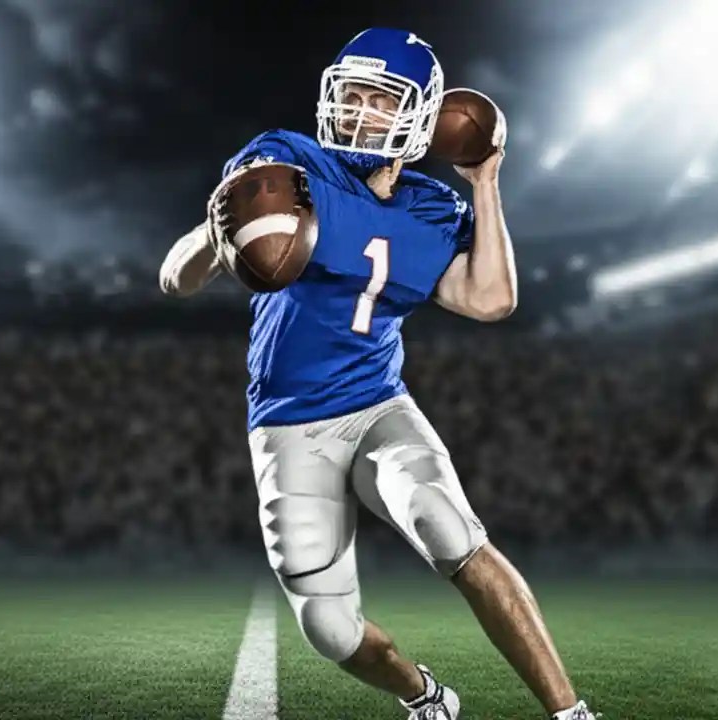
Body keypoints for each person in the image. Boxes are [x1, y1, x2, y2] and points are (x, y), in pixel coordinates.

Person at [160, 27, 596, 720]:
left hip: (377, 406)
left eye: (381, 99)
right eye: (352, 94)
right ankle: (424, 696)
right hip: (287, 424)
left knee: (449, 527)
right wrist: (214, 235)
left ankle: (571, 714)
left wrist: (485, 183)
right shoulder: (290, 162)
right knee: (330, 630)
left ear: (420, 118)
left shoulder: (433, 208)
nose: (359, 111)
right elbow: (175, 279)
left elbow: (489, 299)